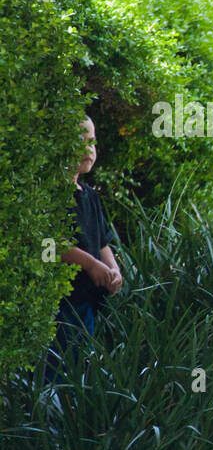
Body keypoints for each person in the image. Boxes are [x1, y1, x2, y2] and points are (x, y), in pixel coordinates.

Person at [46, 118, 122, 379]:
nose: (89, 149)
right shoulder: (51, 192)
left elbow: (102, 242)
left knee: (78, 368)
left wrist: (113, 269)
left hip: (86, 303)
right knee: (54, 367)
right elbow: (50, 241)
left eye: (92, 142)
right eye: (81, 142)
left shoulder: (90, 196)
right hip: (59, 301)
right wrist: (89, 264)